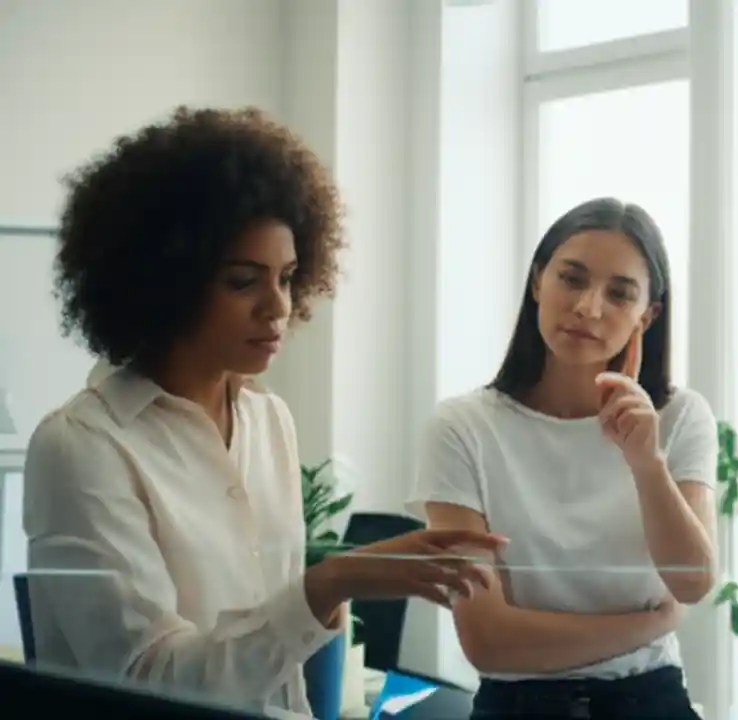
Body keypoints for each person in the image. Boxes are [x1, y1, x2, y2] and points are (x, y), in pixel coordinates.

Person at [22, 106, 505, 720]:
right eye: (244, 281)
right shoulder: (82, 447)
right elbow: (148, 685)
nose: (278, 308)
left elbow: (283, 671)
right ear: (166, 280)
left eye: (288, 277)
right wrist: (331, 582)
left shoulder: (267, 419)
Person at [409, 197, 718, 719]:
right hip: (517, 707)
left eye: (620, 294)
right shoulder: (463, 427)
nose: (588, 307)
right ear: (537, 282)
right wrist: (648, 624)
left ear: (649, 314)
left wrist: (646, 462)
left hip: (649, 701)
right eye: (571, 279)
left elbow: (692, 581)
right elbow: (488, 640)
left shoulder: (682, 416)